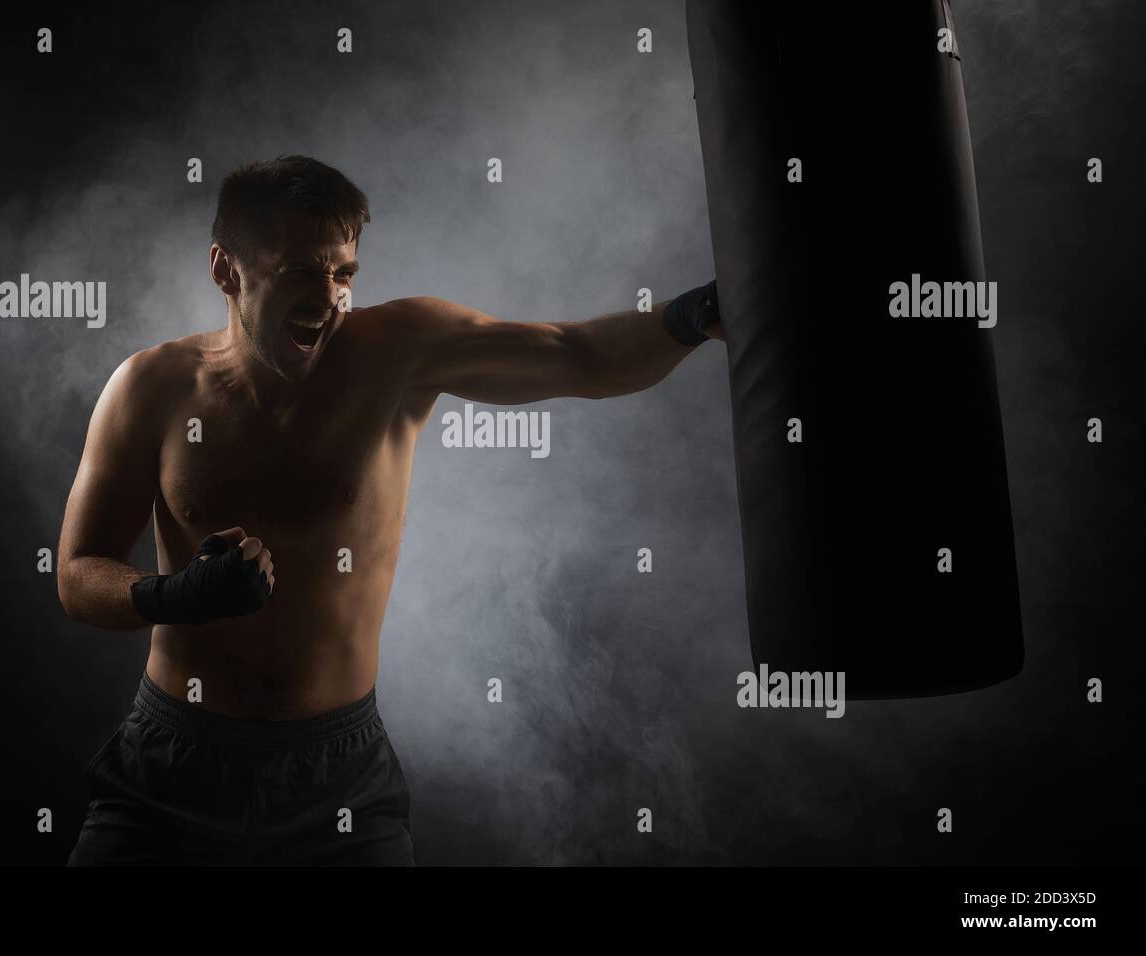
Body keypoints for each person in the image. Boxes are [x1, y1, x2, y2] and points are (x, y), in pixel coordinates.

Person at [59, 154, 722, 866]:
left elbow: (579, 355)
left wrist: (695, 315)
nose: (329, 298)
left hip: (335, 784)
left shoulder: (399, 353)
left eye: (343, 273)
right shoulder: (148, 388)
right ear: (226, 270)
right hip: (170, 772)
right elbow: (76, 574)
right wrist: (175, 596)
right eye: (300, 272)